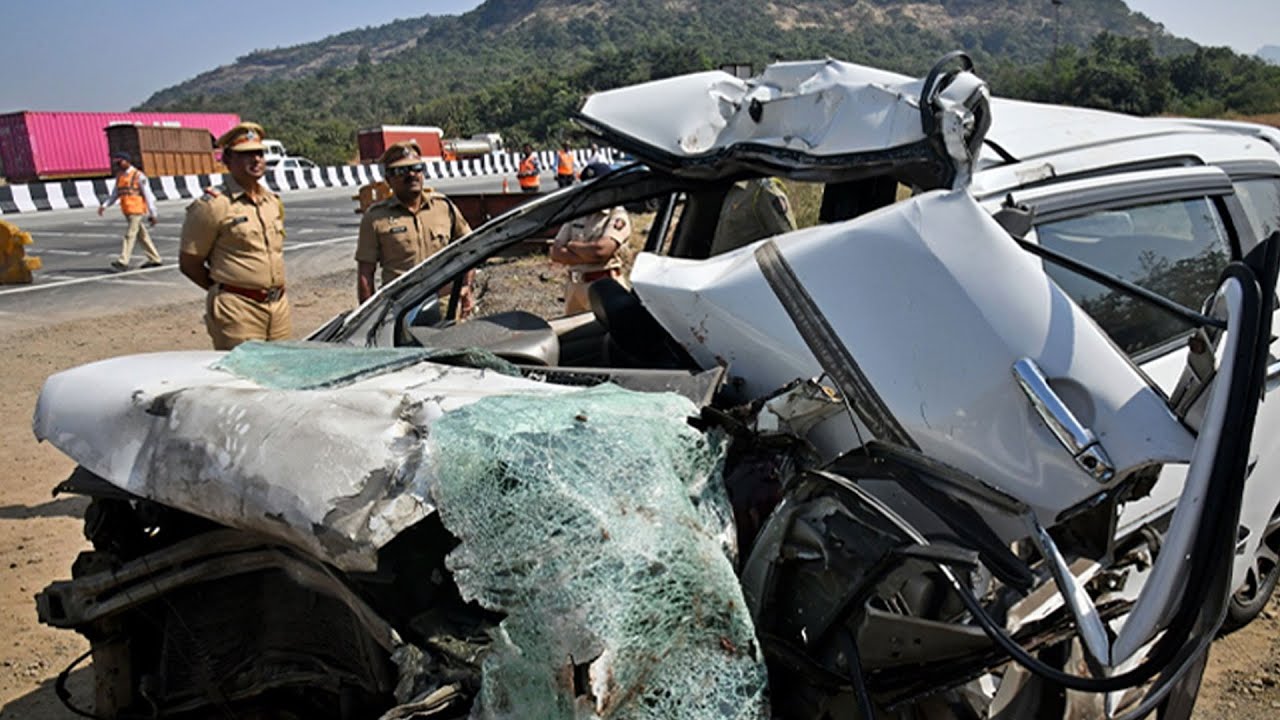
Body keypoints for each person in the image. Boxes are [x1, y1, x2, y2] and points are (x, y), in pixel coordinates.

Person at [179, 122, 290, 350]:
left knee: (281, 373)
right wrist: (226, 290)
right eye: (246, 154)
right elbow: (190, 262)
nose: (256, 160)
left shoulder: (272, 201)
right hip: (238, 310)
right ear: (227, 161)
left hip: (278, 306)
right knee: (245, 379)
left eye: (259, 153)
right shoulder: (213, 205)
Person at [355, 141, 473, 313]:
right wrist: (369, 316)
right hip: (400, 309)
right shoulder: (375, 218)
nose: (411, 175)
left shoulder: (443, 207)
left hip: (445, 305)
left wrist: (466, 287)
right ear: (388, 179)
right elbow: (366, 274)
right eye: (401, 171)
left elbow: (470, 247)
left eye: (417, 168)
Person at [549, 162, 631, 315]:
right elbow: (555, 252)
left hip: (605, 286)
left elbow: (600, 251)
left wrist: (572, 246)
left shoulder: (616, 215)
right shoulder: (578, 214)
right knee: (575, 335)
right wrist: (588, 254)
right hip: (575, 287)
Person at [98, 152, 161, 271]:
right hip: (127, 210)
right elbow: (115, 194)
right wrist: (104, 205)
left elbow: (148, 195)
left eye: (120, 161)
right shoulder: (120, 176)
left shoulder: (138, 175)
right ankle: (155, 258)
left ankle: (123, 261)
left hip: (136, 210)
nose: (118, 164)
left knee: (129, 235)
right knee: (142, 236)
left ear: (127, 161)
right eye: (117, 162)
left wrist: (153, 214)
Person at [708, 177, 797, 256]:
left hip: (748, 271)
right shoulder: (729, 187)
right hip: (720, 270)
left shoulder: (762, 191)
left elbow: (789, 242)